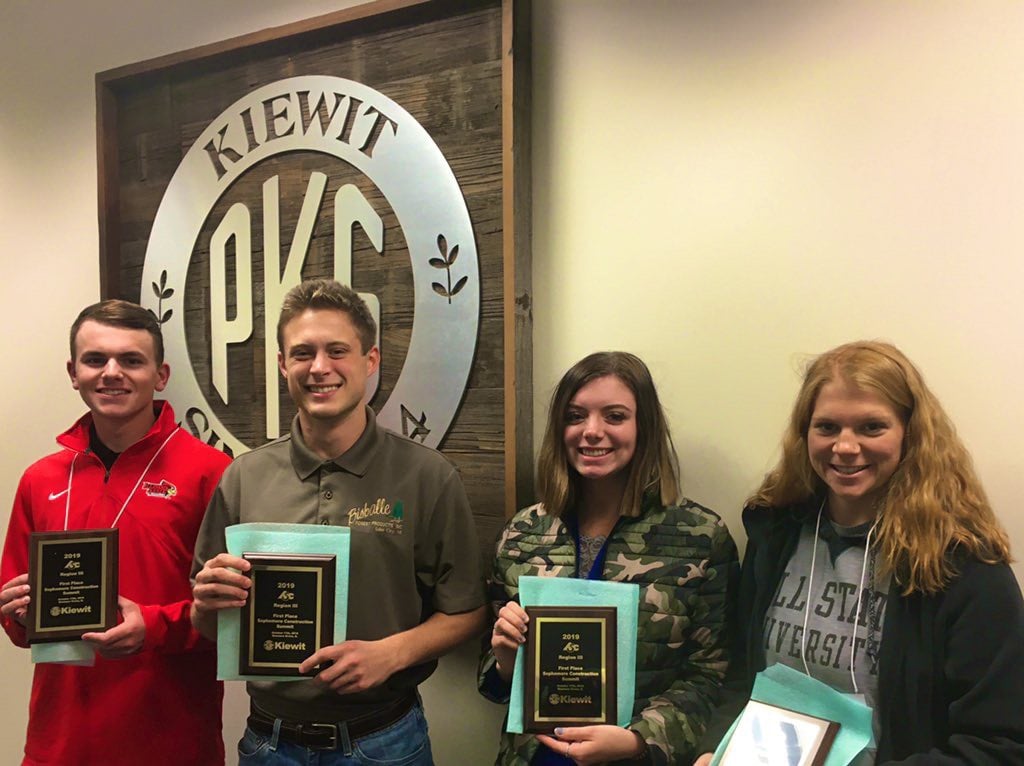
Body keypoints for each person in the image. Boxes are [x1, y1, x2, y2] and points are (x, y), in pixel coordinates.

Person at [191, 278, 487, 765]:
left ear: (370, 361)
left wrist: (390, 654)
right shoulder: (243, 478)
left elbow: (468, 612)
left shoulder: (428, 476)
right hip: (269, 744)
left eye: (337, 351)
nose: (319, 367)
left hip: (384, 741)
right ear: (283, 364)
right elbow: (208, 621)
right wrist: (206, 604)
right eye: (302, 353)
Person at [695, 340, 1024, 765]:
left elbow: (1000, 746)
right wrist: (715, 748)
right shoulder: (775, 533)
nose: (845, 446)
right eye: (827, 427)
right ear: (804, 434)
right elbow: (742, 676)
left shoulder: (964, 564)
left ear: (911, 434)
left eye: (871, 427)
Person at [0, 299, 232, 765]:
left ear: (161, 375)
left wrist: (157, 627)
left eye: (131, 360)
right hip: (58, 745)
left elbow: (235, 616)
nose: (111, 373)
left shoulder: (212, 473)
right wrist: (17, 614)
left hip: (171, 743)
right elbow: (15, 611)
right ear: (73, 372)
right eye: (95, 359)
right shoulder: (39, 479)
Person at [480, 351, 738, 765]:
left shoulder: (700, 537)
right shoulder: (522, 533)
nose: (592, 431)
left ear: (644, 426)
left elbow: (711, 676)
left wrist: (637, 740)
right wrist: (506, 663)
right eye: (575, 416)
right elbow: (493, 682)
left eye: (615, 416)